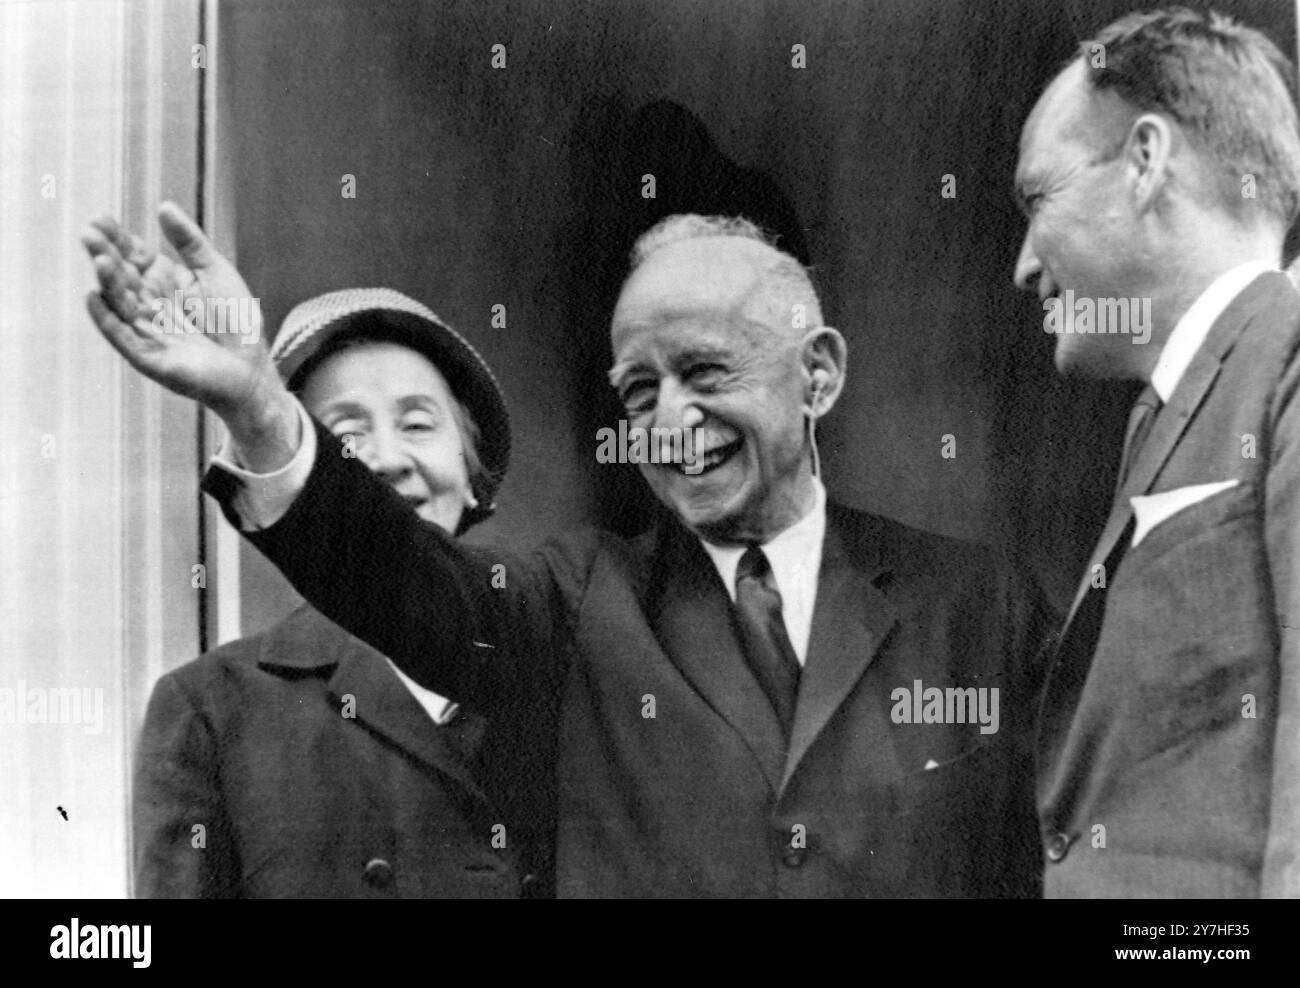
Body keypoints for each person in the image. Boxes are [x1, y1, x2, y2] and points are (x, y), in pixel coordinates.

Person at [85, 207, 1050, 898]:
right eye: (639, 392)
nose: (672, 421)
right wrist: (260, 409)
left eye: (708, 371)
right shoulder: (581, 597)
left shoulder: (979, 604)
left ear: (820, 375)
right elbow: (407, 583)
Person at [132, 285, 555, 898]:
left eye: (417, 423)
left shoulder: (568, 668)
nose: (386, 459)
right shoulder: (210, 710)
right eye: (346, 438)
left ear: (471, 474)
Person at [1012, 7, 1300, 897]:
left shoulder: (1285, 358)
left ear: (1144, 161)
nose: (1024, 264)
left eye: (1038, 201)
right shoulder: (1168, 411)